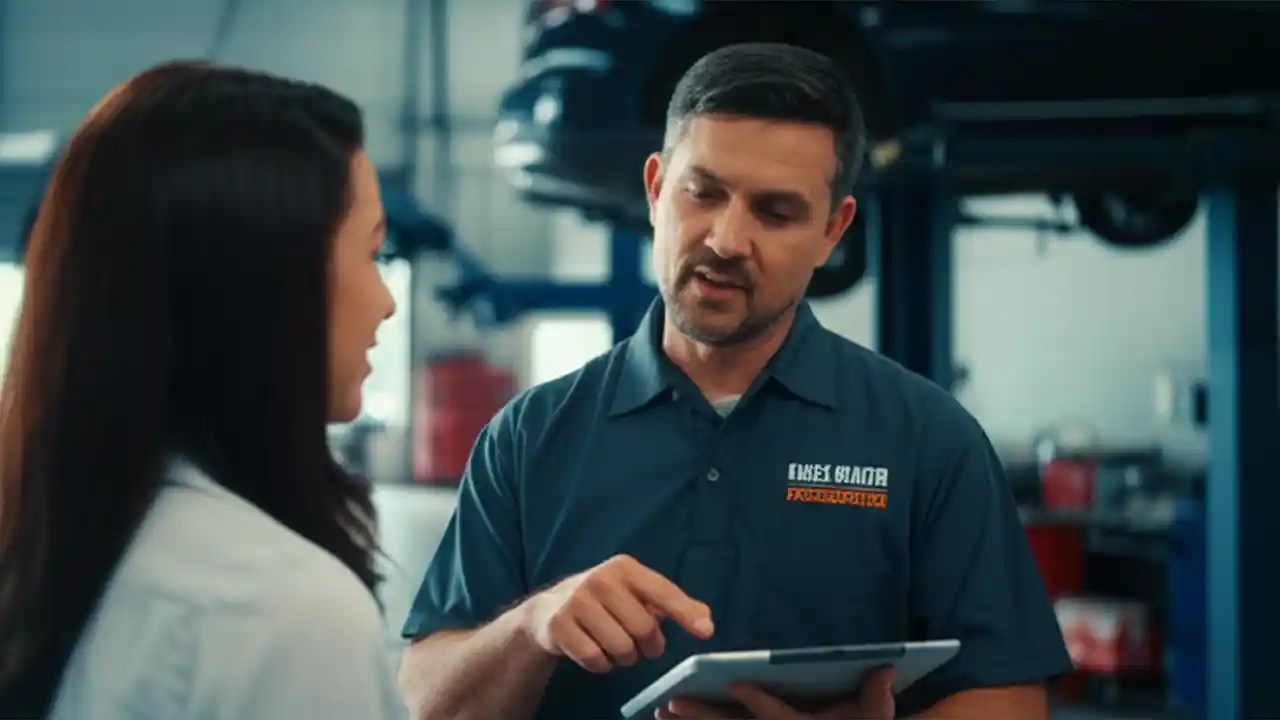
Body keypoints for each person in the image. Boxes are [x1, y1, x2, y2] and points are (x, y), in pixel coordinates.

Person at [398, 42, 1073, 720]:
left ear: (832, 231)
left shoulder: (929, 441)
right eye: (703, 193)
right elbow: (428, 702)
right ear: (656, 189)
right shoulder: (529, 439)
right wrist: (533, 624)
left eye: (775, 212)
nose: (726, 239)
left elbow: (1011, 700)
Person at [0, 61, 406, 719]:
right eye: (371, 253)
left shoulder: (57, 547)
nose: (387, 303)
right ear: (268, 287)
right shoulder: (281, 612)